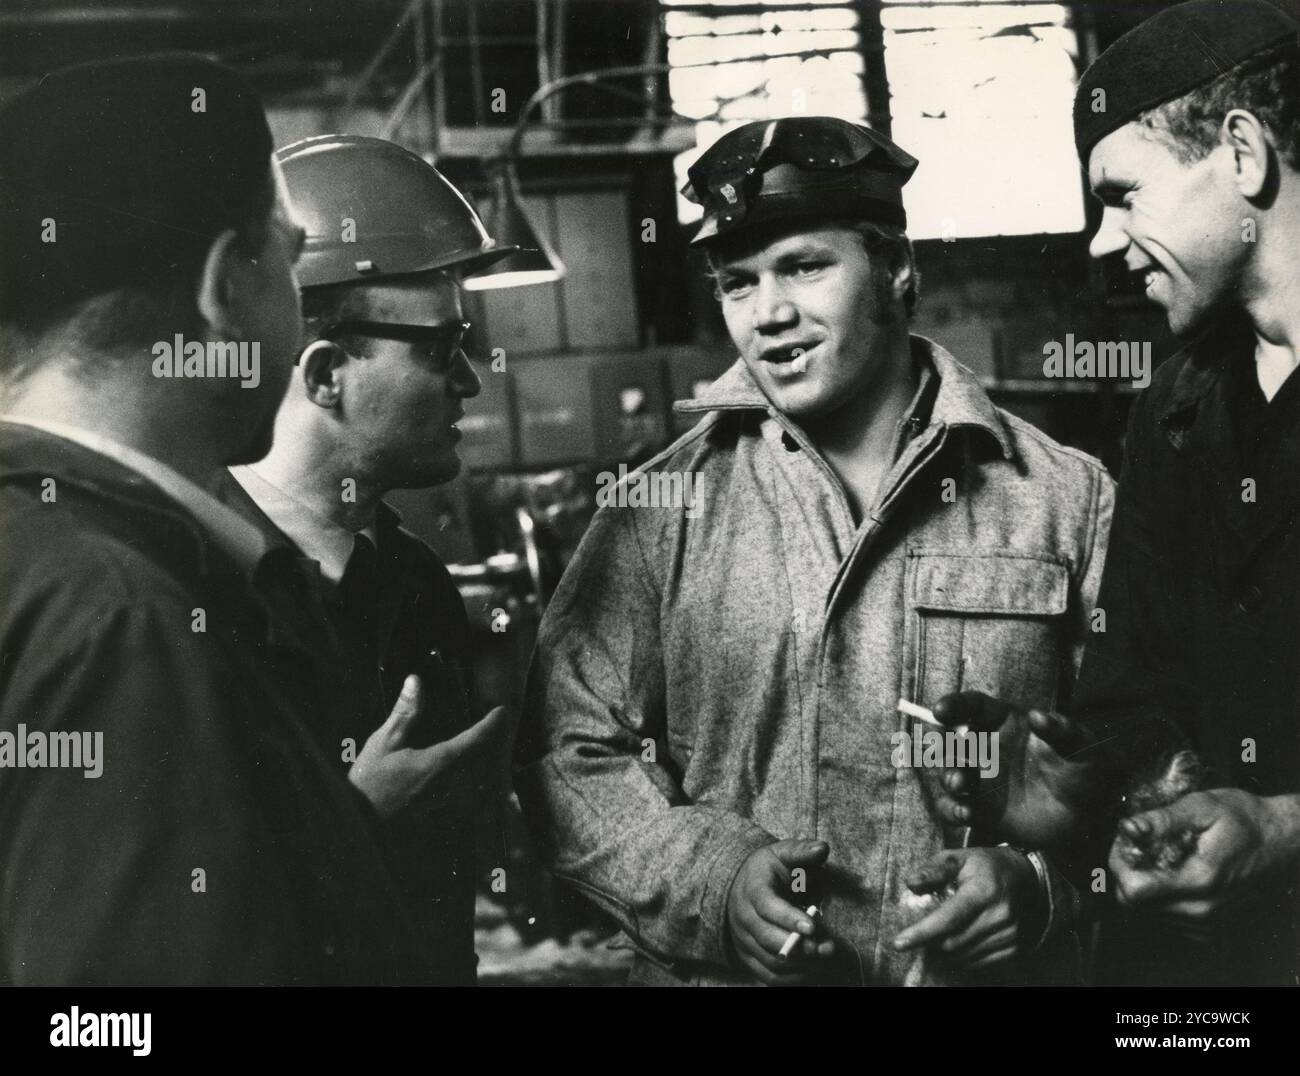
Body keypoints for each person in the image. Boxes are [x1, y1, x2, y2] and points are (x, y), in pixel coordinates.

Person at [515, 116, 1115, 985]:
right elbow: (563, 754)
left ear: (896, 269)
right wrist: (713, 883)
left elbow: (1149, 766)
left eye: (804, 266)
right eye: (737, 283)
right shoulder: (660, 509)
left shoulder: (1065, 499)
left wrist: (1042, 886)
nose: (771, 314)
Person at [0, 55, 423, 984]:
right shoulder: (124, 621)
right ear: (226, 284)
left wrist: (323, 833)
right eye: (289, 251)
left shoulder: (36, 552)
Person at [931, 0, 1300, 987]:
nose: (1101, 241)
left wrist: (1285, 828)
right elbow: (1137, 691)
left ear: (1241, 153)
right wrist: (1100, 785)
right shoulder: (1172, 410)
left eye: (1123, 194)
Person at [225, 135, 519, 985]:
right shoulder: (187, 586)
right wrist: (347, 832)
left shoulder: (414, 581)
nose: (467, 379)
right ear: (325, 375)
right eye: (440, 348)